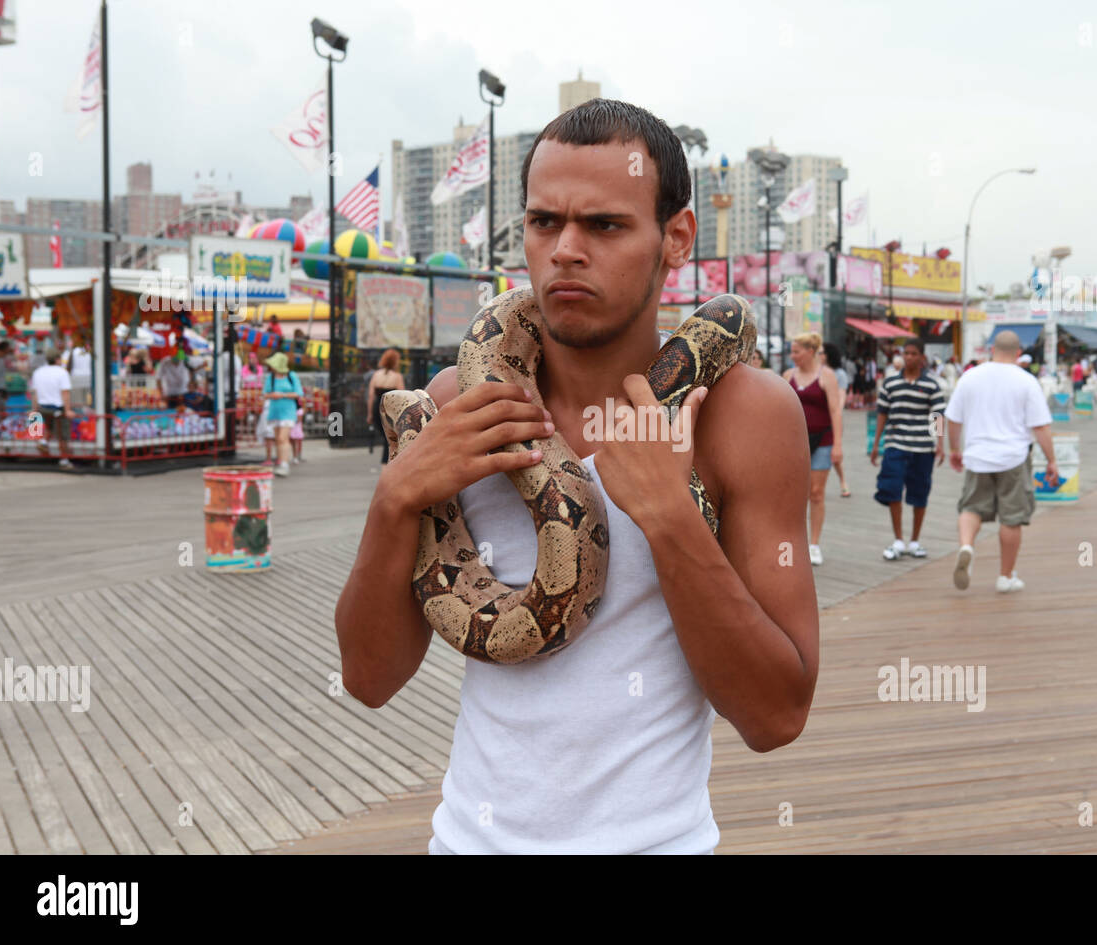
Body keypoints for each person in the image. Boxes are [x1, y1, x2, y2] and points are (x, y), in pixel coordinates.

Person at [335, 98, 818, 855]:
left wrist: (666, 513)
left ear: (676, 238)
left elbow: (776, 714)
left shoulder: (745, 415)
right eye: (543, 221)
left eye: (605, 225)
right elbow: (368, 678)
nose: (565, 249)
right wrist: (396, 496)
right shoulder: (455, 411)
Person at [944, 330, 1057, 593]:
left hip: (977, 455)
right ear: (1018, 353)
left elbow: (953, 419)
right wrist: (1051, 460)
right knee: (1011, 517)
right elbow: (1040, 426)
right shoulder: (1027, 381)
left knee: (971, 507)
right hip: (1013, 457)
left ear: (991, 349)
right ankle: (1005, 577)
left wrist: (953, 449)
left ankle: (966, 547)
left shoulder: (969, 377)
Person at [870, 338, 945, 560]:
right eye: (906, 353)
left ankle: (914, 540)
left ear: (922, 357)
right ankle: (898, 539)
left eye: (914, 354)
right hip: (896, 444)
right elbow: (882, 413)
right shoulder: (890, 383)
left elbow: (937, 415)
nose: (909, 357)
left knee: (919, 494)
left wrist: (939, 444)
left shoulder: (932, 384)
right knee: (892, 490)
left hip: (922, 448)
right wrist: (876, 444)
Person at [784, 332, 844, 564]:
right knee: (792, 493)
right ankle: (794, 541)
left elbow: (835, 411)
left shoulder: (826, 376)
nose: (793, 356)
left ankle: (814, 544)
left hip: (822, 439)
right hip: (793, 441)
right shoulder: (788, 375)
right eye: (792, 351)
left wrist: (837, 444)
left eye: (797, 351)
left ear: (810, 352)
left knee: (816, 493)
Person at [29, 349, 75, 469]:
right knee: (62, 435)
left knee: (49, 427)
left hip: (42, 408)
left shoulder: (38, 372)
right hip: (57, 408)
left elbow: (35, 393)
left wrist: (34, 409)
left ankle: (43, 442)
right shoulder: (61, 372)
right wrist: (68, 409)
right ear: (57, 359)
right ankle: (64, 459)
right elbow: (65, 393)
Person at [262, 352, 302, 477]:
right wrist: (272, 395)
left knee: (283, 438)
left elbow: (298, 393)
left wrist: (283, 395)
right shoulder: (271, 378)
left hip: (288, 411)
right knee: (277, 439)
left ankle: (285, 464)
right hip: (275, 411)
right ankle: (280, 462)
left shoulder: (292, 376)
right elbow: (265, 393)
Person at [821, 342, 852, 498]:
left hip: (831, 420)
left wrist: (834, 412)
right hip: (815, 421)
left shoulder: (839, 374)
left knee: (834, 453)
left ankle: (843, 481)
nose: (819, 355)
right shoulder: (816, 372)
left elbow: (841, 399)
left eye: (822, 353)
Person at [365, 349, 407, 465]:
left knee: (386, 438)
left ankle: (387, 463)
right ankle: (387, 463)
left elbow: (370, 396)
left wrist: (369, 414)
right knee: (390, 438)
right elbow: (402, 396)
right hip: (390, 410)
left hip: (377, 408)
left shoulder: (376, 375)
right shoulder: (397, 377)